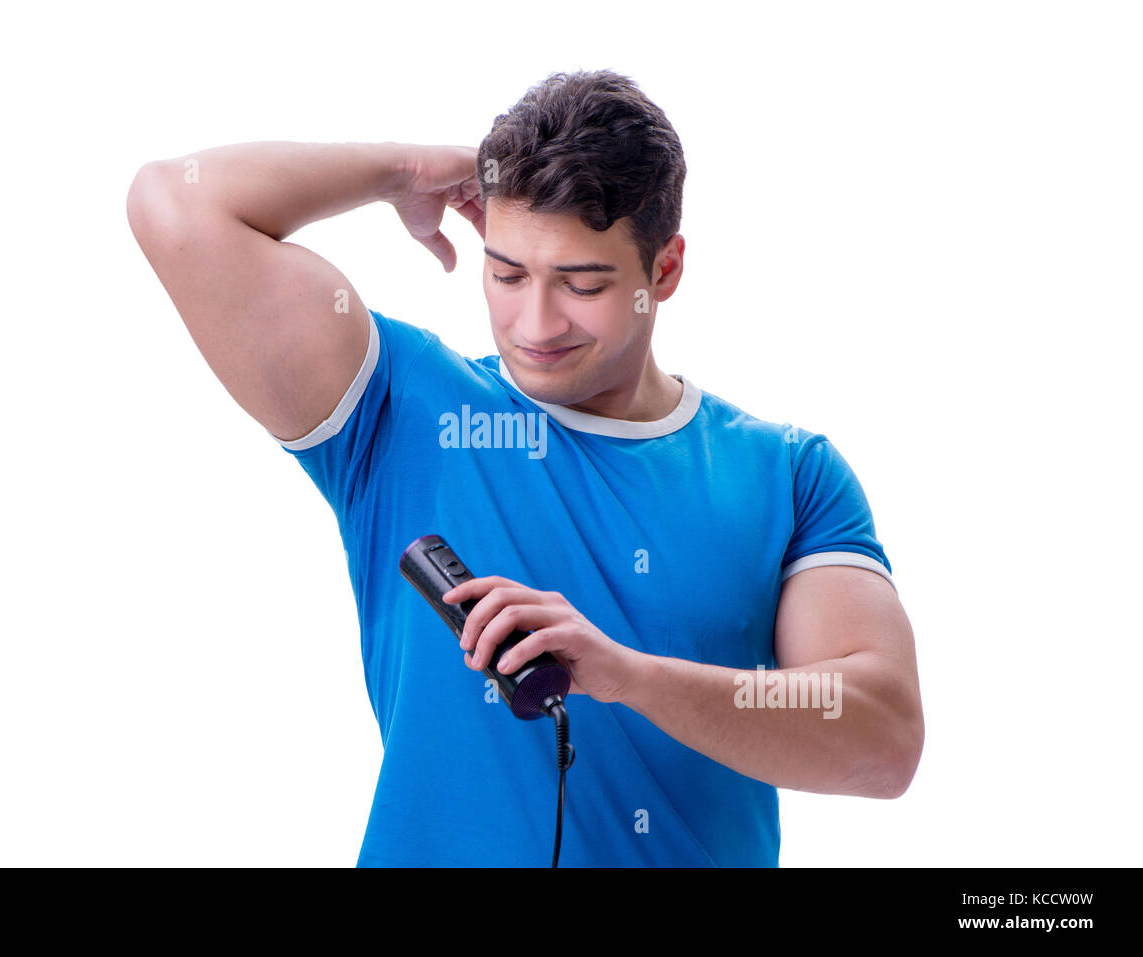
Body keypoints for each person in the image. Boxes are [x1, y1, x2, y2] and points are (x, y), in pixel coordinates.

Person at [126, 69, 925, 866]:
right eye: (507, 273)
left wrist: (631, 676)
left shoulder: (787, 474)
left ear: (665, 272)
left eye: (581, 283)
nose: (534, 322)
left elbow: (883, 738)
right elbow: (174, 203)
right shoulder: (401, 407)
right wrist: (398, 171)